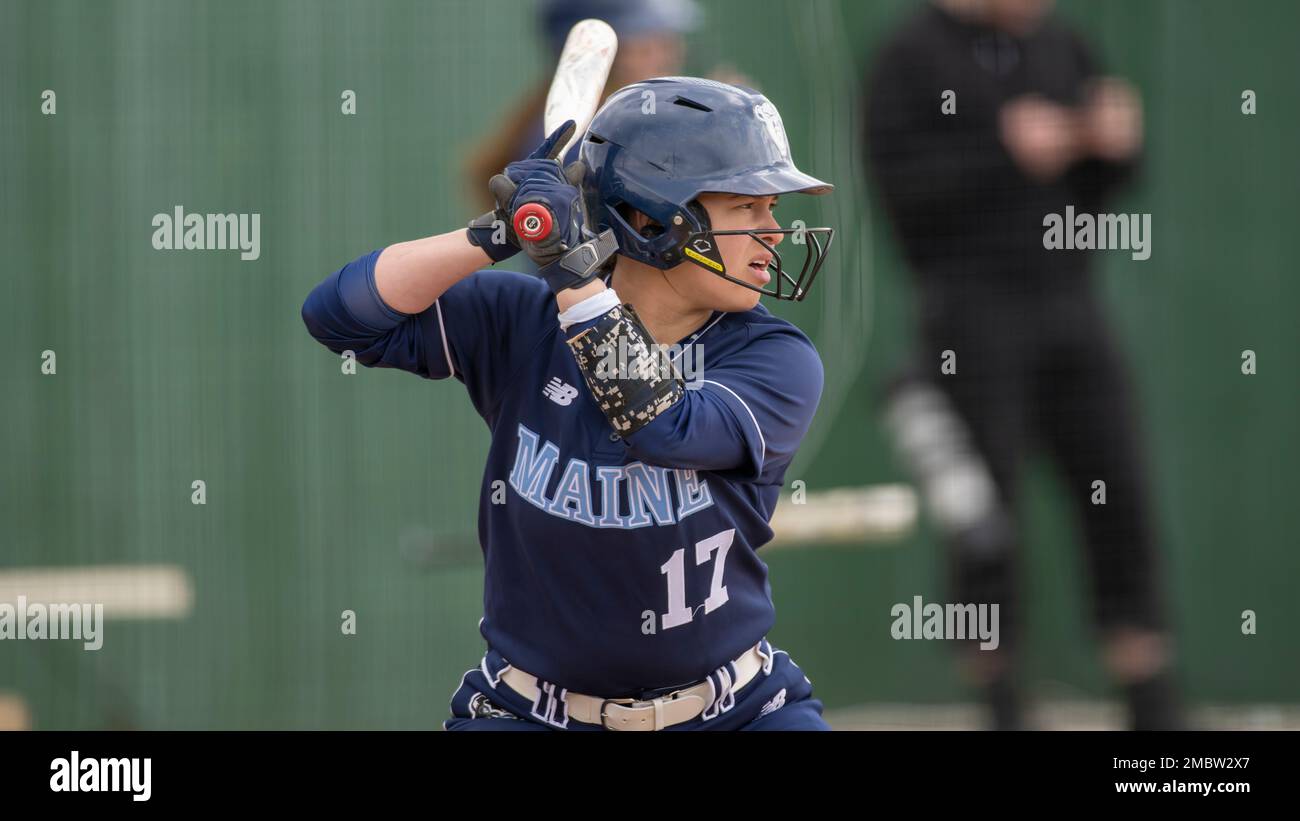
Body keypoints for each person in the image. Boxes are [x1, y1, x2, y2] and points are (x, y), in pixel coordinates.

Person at [302, 77, 836, 731]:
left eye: (772, 207)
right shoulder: (525, 322)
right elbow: (338, 317)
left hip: (737, 711)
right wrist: (496, 234)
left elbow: (664, 425)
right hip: (532, 713)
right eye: (746, 208)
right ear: (649, 218)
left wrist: (570, 272)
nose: (774, 232)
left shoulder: (776, 358)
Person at [865, 0, 1182, 730]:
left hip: (1069, 306)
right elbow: (900, 195)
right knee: (984, 515)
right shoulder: (910, 57)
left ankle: (1151, 701)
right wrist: (1001, 149)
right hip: (969, 313)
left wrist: (1115, 145)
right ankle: (1001, 703)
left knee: (1119, 492)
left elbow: (1103, 189)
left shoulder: (1065, 46)